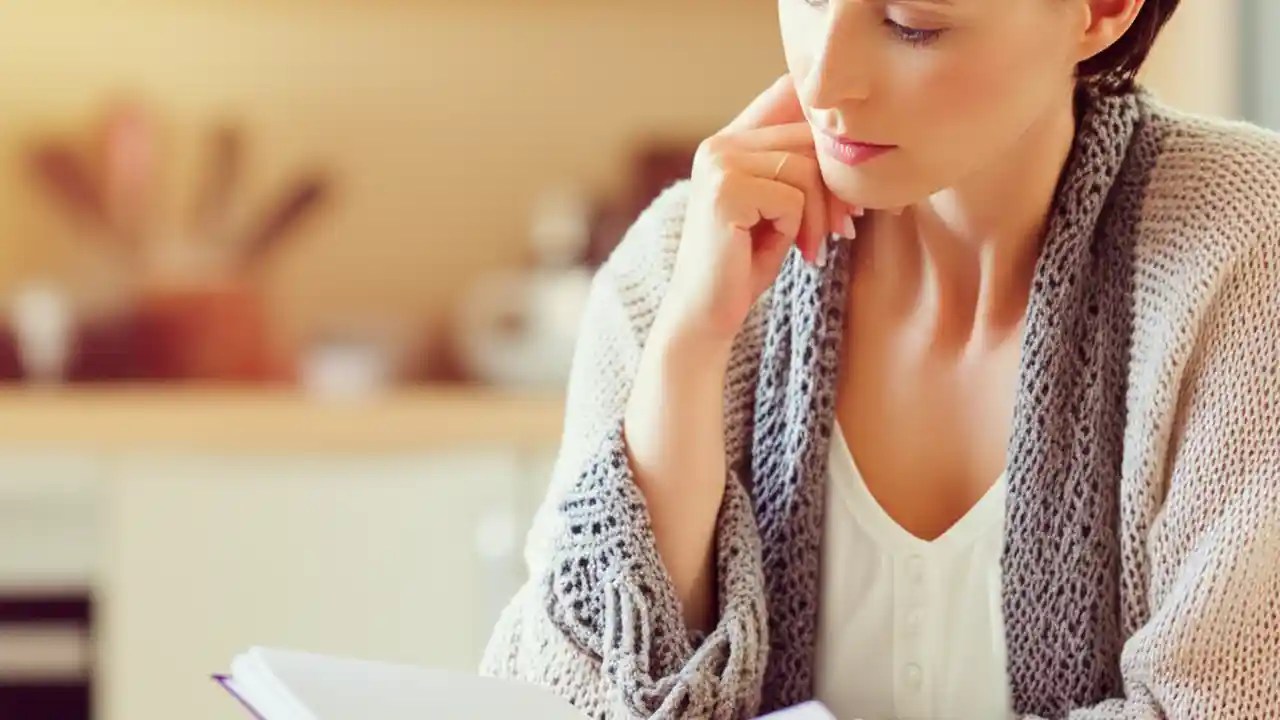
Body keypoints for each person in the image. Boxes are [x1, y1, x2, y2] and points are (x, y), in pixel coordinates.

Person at [482, 1, 1280, 717]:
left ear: (1101, 10)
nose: (825, 79)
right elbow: (558, 697)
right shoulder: (678, 260)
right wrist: (688, 349)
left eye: (912, 24)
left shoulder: (1243, 243)